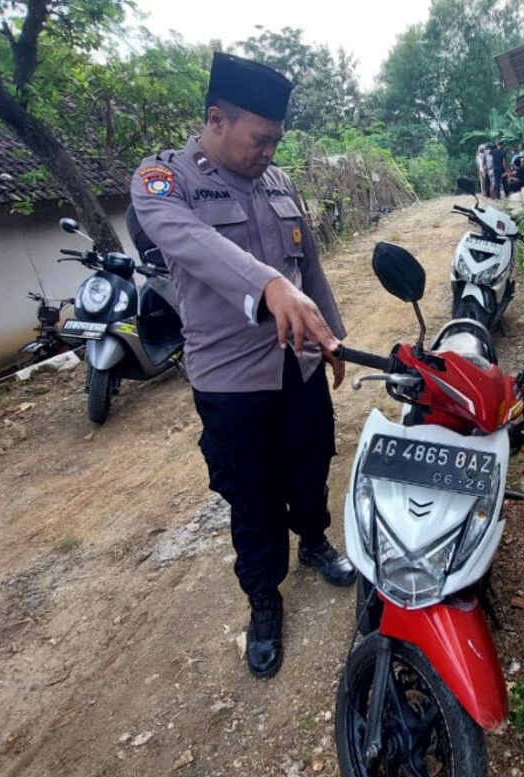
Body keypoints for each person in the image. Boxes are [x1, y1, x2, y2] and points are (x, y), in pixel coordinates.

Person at [130, 52, 355, 680]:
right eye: (260, 139)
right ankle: (263, 599)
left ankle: (313, 541)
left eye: (275, 141)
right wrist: (268, 286)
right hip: (230, 382)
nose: (268, 152)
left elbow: (307, 268)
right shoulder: (164, 180)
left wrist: (330, 338)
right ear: (216, 120)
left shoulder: (280, 184)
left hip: (298, 370)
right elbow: (187, 239)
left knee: (311, 465)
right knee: (252, 496)